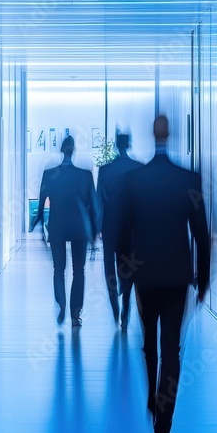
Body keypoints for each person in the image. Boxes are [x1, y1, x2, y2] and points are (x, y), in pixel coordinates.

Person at [120, 115, 210, 433]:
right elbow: (201, 232)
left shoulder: (135, 181)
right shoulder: (189, 179)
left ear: (151, 134)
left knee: (150, 343)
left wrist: (126, 273)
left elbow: (123, 231)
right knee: (171, 349)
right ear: (170, 134)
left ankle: (152, 395)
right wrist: (202, 278)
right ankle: (163, 430)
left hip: (145, 276)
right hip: (176, 277)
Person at [35, 135, 99, 326]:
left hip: (58, 227)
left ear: (61, 151)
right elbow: (94, 208)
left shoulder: (50, 174)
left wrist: (40, 228)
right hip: (80, 228)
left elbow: (41, 204)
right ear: (74, 150)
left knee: (59, 269)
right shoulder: (85, 175)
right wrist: (94, 234)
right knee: (79, 270)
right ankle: (75, 313)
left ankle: (62, 304)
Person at [97, 131, 143, 329]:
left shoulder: (105, 170)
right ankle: (125, 307)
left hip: (110, 227)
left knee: (109, 266)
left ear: (116, 145)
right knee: (128, 267)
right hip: (132, 228)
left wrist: (96, 228)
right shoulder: (138, 169)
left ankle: (114, 303)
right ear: (129, 144)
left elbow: (99, 200)